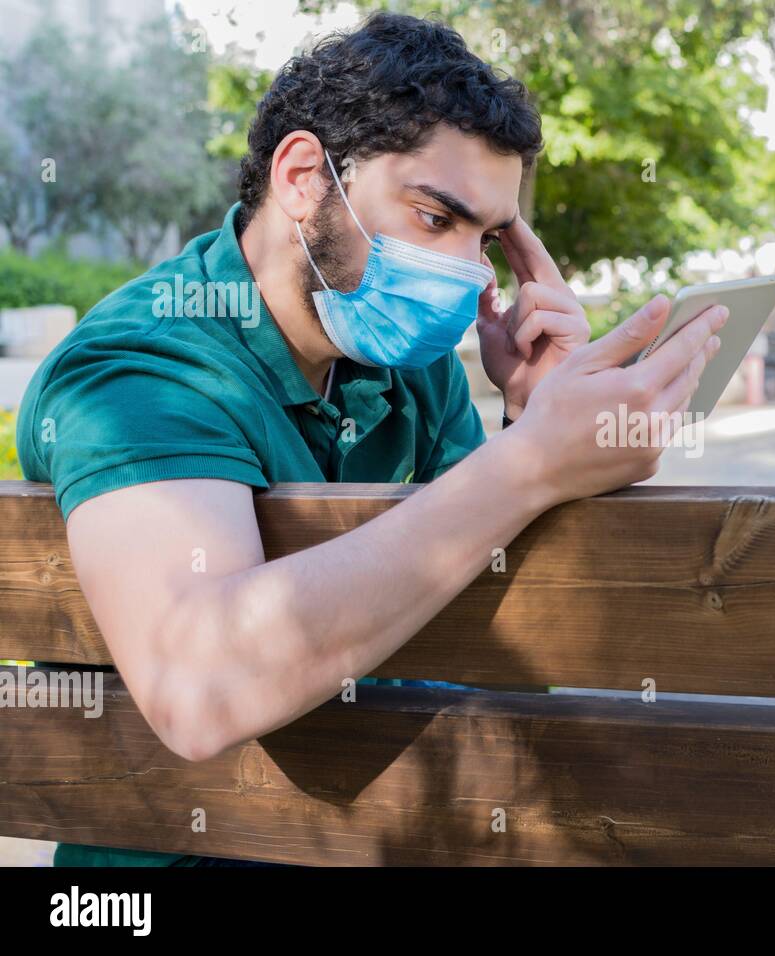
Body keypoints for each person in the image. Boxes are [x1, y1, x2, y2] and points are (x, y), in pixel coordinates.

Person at [15, 12, 726, 866]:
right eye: (435, 219)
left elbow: (510, 633)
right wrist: (530, 463)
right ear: (305, 177)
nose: (469, 277)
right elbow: (197, 687)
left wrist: (535, 423)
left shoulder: (400, 361)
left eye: (487, 240)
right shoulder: (142, 369)